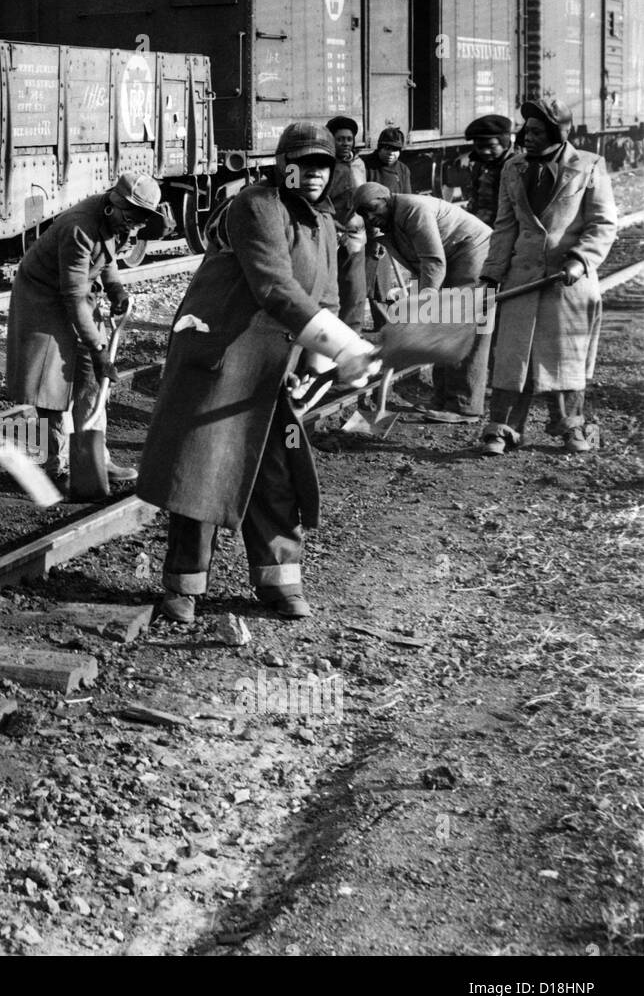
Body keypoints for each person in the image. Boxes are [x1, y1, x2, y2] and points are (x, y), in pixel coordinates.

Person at [136, 123, 381, 623]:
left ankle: (279, 581)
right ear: (281, 164)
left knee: (277, 475)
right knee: (202, 474)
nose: (311, 173)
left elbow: (327, 297)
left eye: (321, 164)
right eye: (301, 162)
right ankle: (183, 586)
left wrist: (313, 363)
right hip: (224, 357)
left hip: (277, 365)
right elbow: (273, 287)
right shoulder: (256, 206)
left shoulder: (324, 221)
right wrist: (346, 346)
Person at [6, 172, 162, 494]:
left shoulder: (120, 220)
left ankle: (97, 459)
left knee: (93, 377)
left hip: (74, 294)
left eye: (139, 223)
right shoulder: (80, 227)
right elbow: (73, 297)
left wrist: (116, 287)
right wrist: (98, 347)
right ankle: (55, 465)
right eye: (131, 220)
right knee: (52, 384)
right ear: (114, 205)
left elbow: (107, 256)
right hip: (42, 297)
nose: (133, 229)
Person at [477, 98, 618, 456]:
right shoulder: (514, 168)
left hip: (566, 278)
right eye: (526, 129)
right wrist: (492, 274)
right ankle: (503, 428)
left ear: (559, 131)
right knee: (513, 356)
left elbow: (602, 223)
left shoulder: (589, 166)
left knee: (566, 356)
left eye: (537, 131)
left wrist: (580, 259)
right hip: (522, 277)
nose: (527, 136)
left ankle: (571, 426)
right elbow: (505, 226)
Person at [353, 182, 492, 422]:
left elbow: (433, 261)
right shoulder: (384, 222)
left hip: (473, 252)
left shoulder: (412, 209)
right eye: (364, 213)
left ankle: (463, 405)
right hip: (446, 259)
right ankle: (442, 397)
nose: (370, 216)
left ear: (387, 199)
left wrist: (423, 304)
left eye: (373, 209)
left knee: (465, 326)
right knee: (437, 327)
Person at [326, 115, 369, 328]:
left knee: (354, 286)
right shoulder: (323, 163)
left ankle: (354, 331)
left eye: (349, 139)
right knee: (327, 284)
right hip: (329, 230)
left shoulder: (359, 164)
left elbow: (364, 194)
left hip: (355, 232)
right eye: (340, 139)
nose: (345, 143)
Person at [462, 114, 515, 227]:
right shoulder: (479, 164)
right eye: (479, 147)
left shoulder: (516, 166)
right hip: (481, 224)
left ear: (504, 143)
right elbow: (475, 198)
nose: (485, 152)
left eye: (491, 146)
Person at [362, 126, 413, 194]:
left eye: (395, 149)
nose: (391, 153)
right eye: (387, 148)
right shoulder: (365, 166)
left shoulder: (403, 170)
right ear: (380, 148)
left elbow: (407, 198)